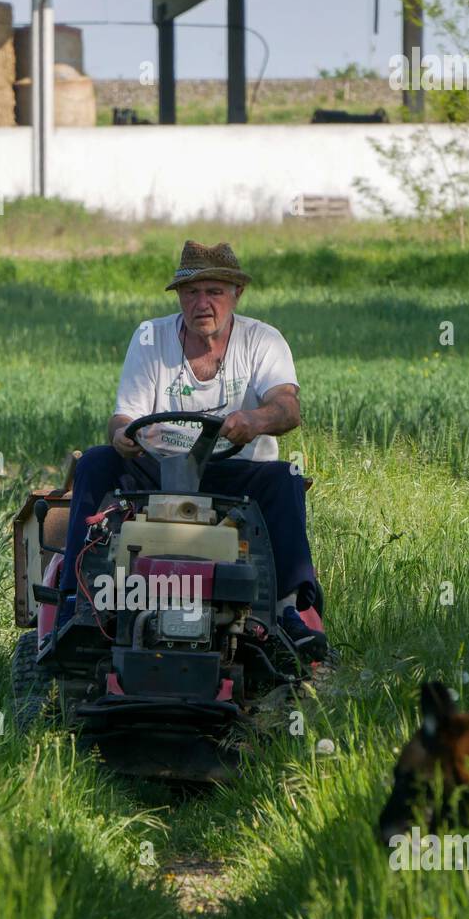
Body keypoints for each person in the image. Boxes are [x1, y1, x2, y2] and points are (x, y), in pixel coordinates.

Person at [55, 239, 327, 657]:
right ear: (179, 296)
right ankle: (77, 601)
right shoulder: (150, 338)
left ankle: (289, 609)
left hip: (235, 472)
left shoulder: (263, 340)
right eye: (192, 292)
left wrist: (254, 421)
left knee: (286, 476)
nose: (203, 303)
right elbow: (123, 417)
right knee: (95, 462)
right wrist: (122, 435)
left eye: (214, 292)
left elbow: (288, 408)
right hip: (160, 470)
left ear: (237, 294)